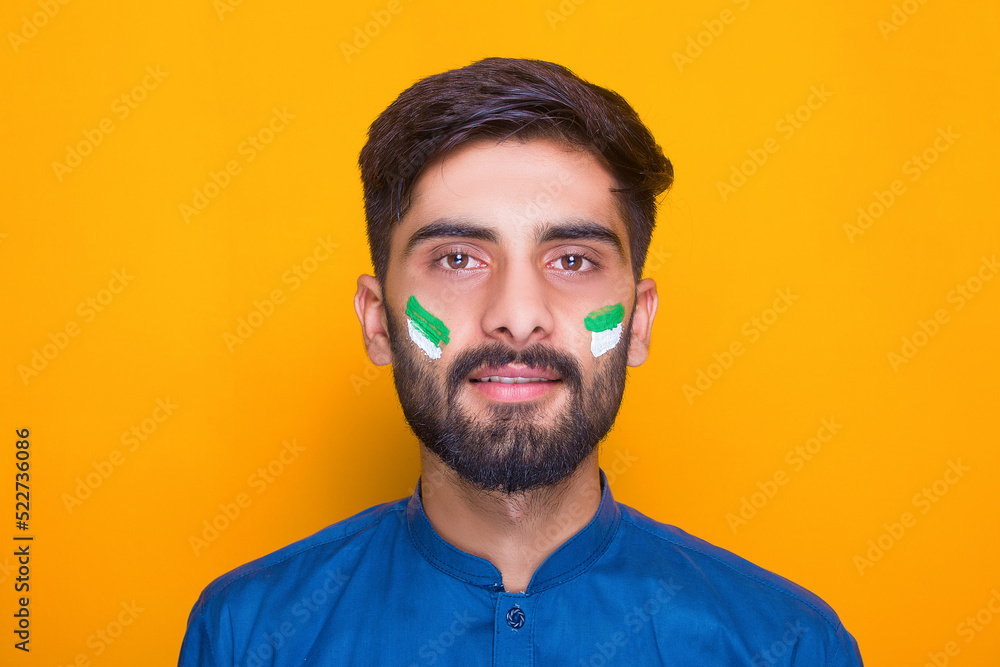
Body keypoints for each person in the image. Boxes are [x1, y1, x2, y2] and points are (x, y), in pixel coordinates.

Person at [179, 57, 864, 666]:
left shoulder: (788, 644)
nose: (516, 311)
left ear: (639, 320)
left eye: (572, 260)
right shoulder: (248, 636)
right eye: (457, 258)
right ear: (378, 319)